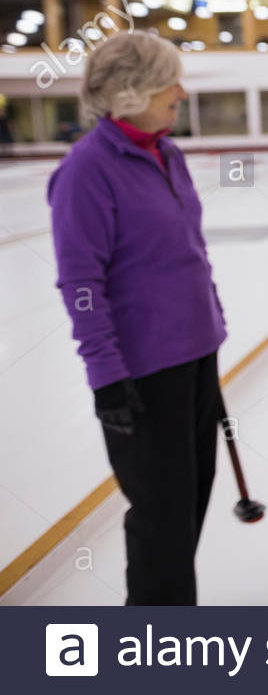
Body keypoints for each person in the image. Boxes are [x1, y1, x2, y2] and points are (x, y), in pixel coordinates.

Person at [47, 31, 226, 605]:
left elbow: (189, 252)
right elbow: (80, 285)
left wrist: (212, 323)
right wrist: (106, 377)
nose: (181, 91)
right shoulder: (86, 171)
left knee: (191, 500)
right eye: (169, 81)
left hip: (196, 356)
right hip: (142, 373)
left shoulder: (166, 152)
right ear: (131, 91)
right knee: (161, 519)